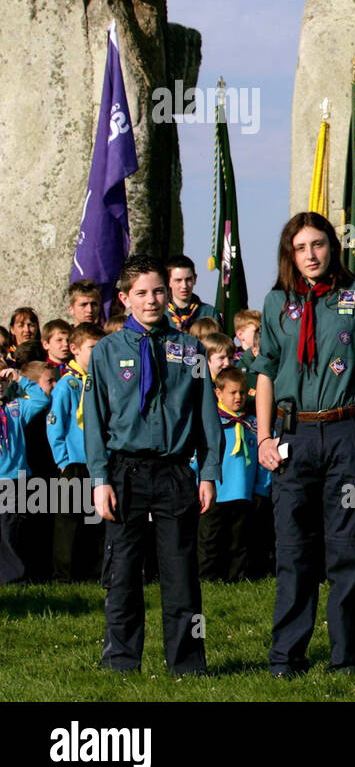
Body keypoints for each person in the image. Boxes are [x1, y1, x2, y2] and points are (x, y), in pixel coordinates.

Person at [249, 212, 355, 676]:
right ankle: (286, 658)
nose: (310, 255)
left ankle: (345, 658)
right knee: (294, 551)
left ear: (332, 247)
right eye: (300, 247)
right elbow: (265, 370)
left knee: (347, 550)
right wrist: (263, 438)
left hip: (345, 434)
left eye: (318, 244)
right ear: (289, 254)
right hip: (293, 435)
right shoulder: (277, 302)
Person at [85, 255, 223, 674]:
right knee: (123, 572)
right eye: (141, 293)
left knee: (181, 574)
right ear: (125, 298)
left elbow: (206, 416)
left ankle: (187, 663)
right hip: (125, 471)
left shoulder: (190, 349)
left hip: (175, 472)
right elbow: (94, 419)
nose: (152, 300)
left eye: (159, 291)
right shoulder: (107, 352)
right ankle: (121, 661)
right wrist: (99, 478)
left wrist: (209, 472)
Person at [47, 321, 106, 581]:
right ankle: (65, 574)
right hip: (73, 462)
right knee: (69, 522)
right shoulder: (66, 386)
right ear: (75, 349)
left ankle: (92, 571)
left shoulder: (99, 383)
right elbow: (55, 424)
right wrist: (63, 460)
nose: (97, 353)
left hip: (97, 461)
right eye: (92, 348)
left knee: (94, 520)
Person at [199, 366, 269, 583]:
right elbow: (198, 455)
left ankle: (236, 577)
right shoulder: (210, 424)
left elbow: (263, 460)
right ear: (218, 393)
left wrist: (260, 489)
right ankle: (206, 577)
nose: (238, 397)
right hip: (216, 493)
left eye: (242, 392)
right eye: (232, 392)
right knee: (210, 539)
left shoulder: (255, 425)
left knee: (240, 539)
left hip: (243, 492)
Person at [0, 364, 53, 583]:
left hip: (14, 478)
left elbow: (41, 400)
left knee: (10, 531)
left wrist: (20, 379)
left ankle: (14, 577)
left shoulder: (15, 407)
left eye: (1, 381)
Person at [165, 255, 221, 331]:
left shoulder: (210, 313)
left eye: (188, 279)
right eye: (178, 280)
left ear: (195, 279)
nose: (184, 286)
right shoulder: (160, 314)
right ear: (168, 282)